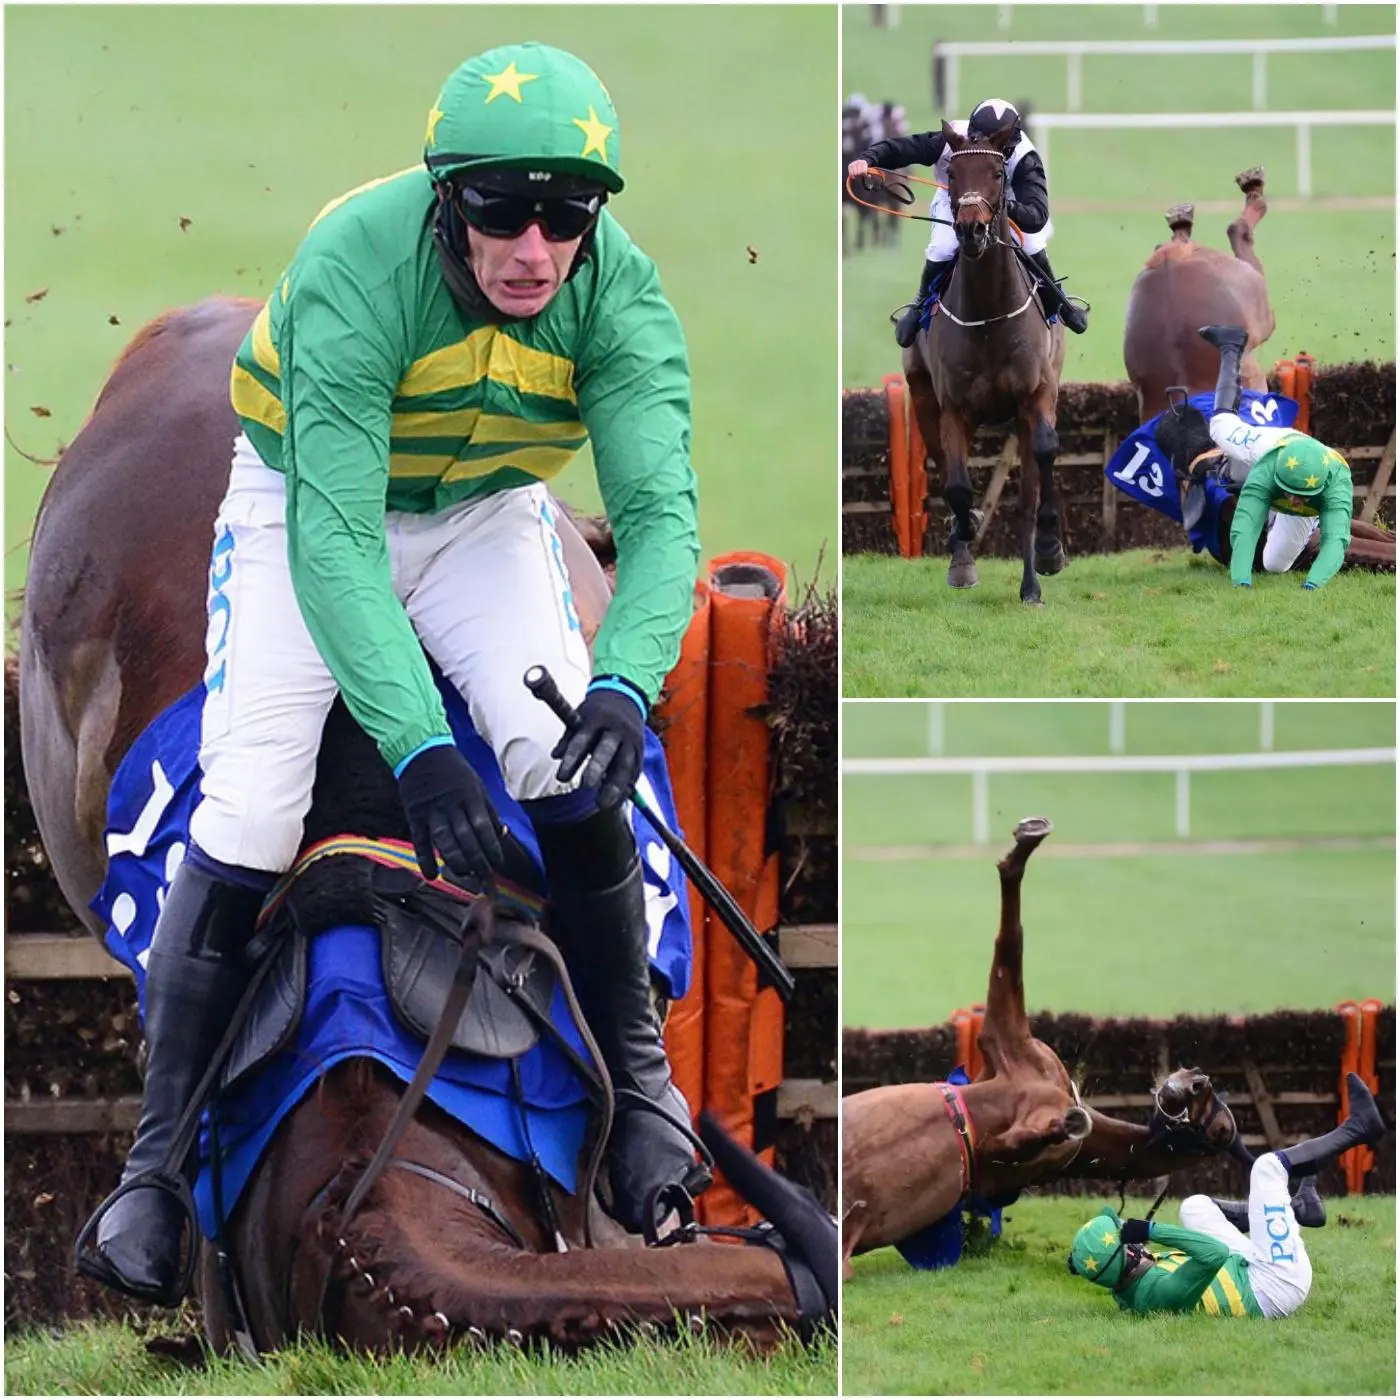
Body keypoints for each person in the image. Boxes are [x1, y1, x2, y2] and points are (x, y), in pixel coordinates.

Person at [81, 41, 704, 1304]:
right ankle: (150, 1175)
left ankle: (642, 1098)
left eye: (566, 216)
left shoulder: (623, 302)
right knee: (253, 798)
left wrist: (624, 685)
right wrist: (418, 752)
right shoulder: (353, 267)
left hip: (485, 511)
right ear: (445, 202)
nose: (534, 247)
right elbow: (337, 545)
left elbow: (661, 520)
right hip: (307, 499)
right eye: (499, 212)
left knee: (560, 770)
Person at [1068, 1073, 1385, 1318]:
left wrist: (1081, 1260)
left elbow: (1107, 1268)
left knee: (1194, 1208)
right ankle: (1359, 1128)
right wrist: (1151, 1230)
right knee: (1267, 1168)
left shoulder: (1128, 1282)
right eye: (1126, 1234)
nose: (1132, 1232)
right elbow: (1215, 1253)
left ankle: (1299, 1208)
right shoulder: (1157, 1295)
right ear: (1129, 1257)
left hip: (1249, 1270)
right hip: (1277, 1286)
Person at [846, 97, 1089, 347]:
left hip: (1005, 201)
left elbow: (1037, 216)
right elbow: (905, 148)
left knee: (1032, 245)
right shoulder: (951, 139)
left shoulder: (1025, 158)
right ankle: (919, 307)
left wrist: (999, 207)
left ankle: (1058, 303)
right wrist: (869, 158)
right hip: (957, 197)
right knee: (942, 247)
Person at [1194, 325, 1354, 589]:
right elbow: (1245, 526)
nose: (1292, 499)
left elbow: (1336, 541)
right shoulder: (1267, 466)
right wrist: (1241, 581)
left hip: (1315, 468)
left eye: (1298, 495)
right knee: (1220, 427)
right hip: (1275, 446)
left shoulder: (1337, 489)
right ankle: (1231, 346)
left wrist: (1312, 585)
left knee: (1275, 565)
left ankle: (1282, 517)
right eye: (1288, 492)